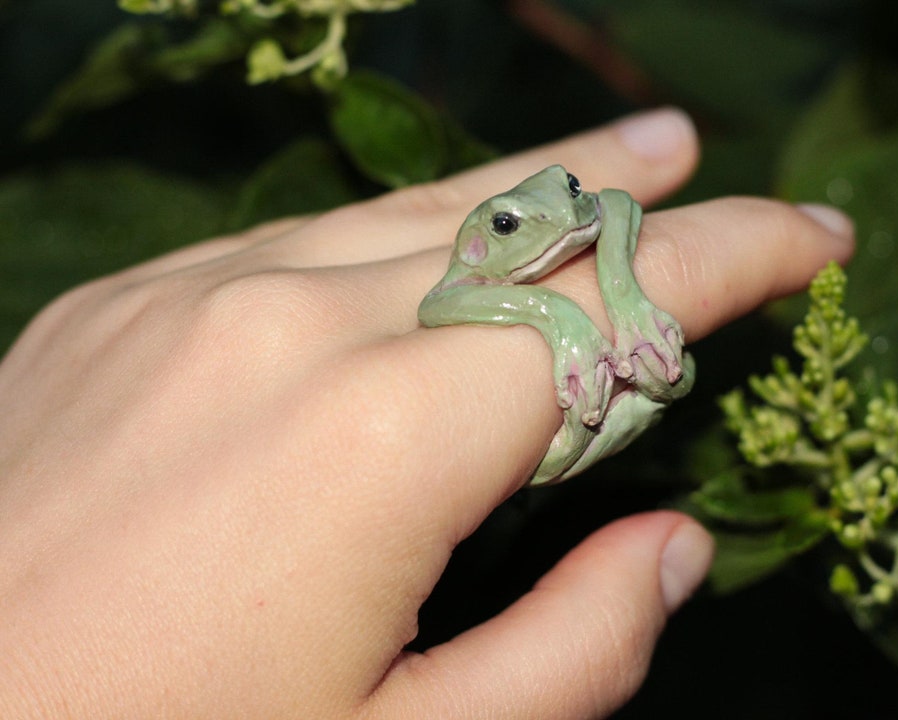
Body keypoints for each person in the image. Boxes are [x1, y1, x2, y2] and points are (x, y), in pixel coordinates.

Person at [0, 108, 853, 718]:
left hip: (614, 399)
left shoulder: (581, 213)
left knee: (664, 368)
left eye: (565, 194)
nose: (560, 217)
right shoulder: (465, 280)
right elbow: (444, 304)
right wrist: (557, 316)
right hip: (545, 448)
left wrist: (624, 293)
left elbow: (618, 208)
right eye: (518, 221)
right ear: (487, 239)